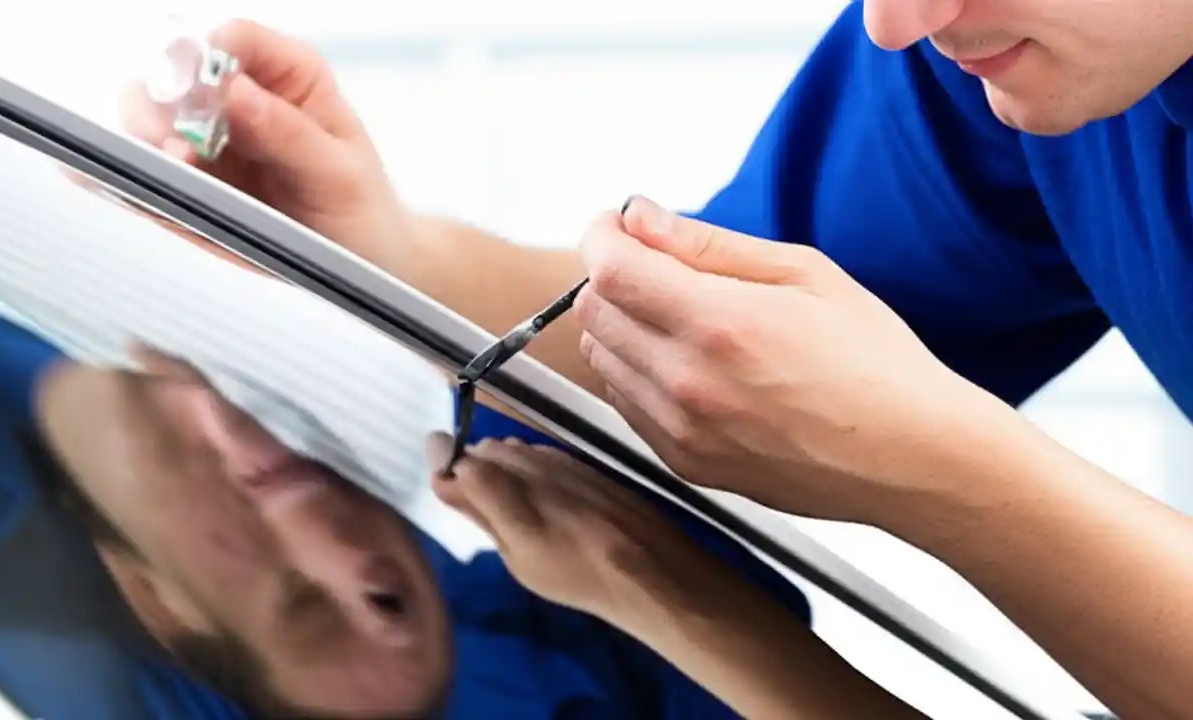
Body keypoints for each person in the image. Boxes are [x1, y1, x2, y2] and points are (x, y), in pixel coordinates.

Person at [122, 3, 1193, 716]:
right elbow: (704, 357)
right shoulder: (1000, 69)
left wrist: (950, 480)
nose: (894, 22)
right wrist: (388, 251)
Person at [0, 284, 902, 719]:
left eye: (308, 603)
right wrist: (649, 591)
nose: (342, 557)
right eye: (381, 600)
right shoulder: (590, 581)